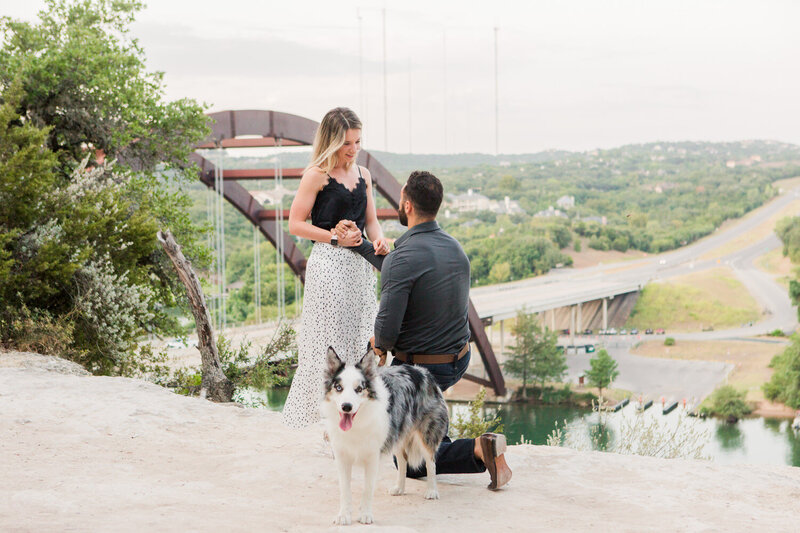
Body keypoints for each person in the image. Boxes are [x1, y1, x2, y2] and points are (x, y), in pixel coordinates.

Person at [340, 170, 512, 490]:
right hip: (457, 360)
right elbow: (409, 274)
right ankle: (443, 436)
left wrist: (377, 342)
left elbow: (387, 336)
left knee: (408, 459)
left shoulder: (402, 258)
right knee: (420, 424)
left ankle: (479, 447)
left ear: (406, 205)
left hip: (421, 368)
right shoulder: (454, 248)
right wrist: (363, 245)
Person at [281, 107, 390, 429]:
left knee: (362, 340)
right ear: (331, 142)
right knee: (329, 343)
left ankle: (356, 421)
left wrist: (380, 242)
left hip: (360, 267)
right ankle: (322, 424)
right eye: (347, 143)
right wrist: (333, 237)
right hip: (328, 267)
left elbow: (371, 222)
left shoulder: (364, 175)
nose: (354, 149)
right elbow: (295, 224)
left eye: (358, 142)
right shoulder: (316, 175)